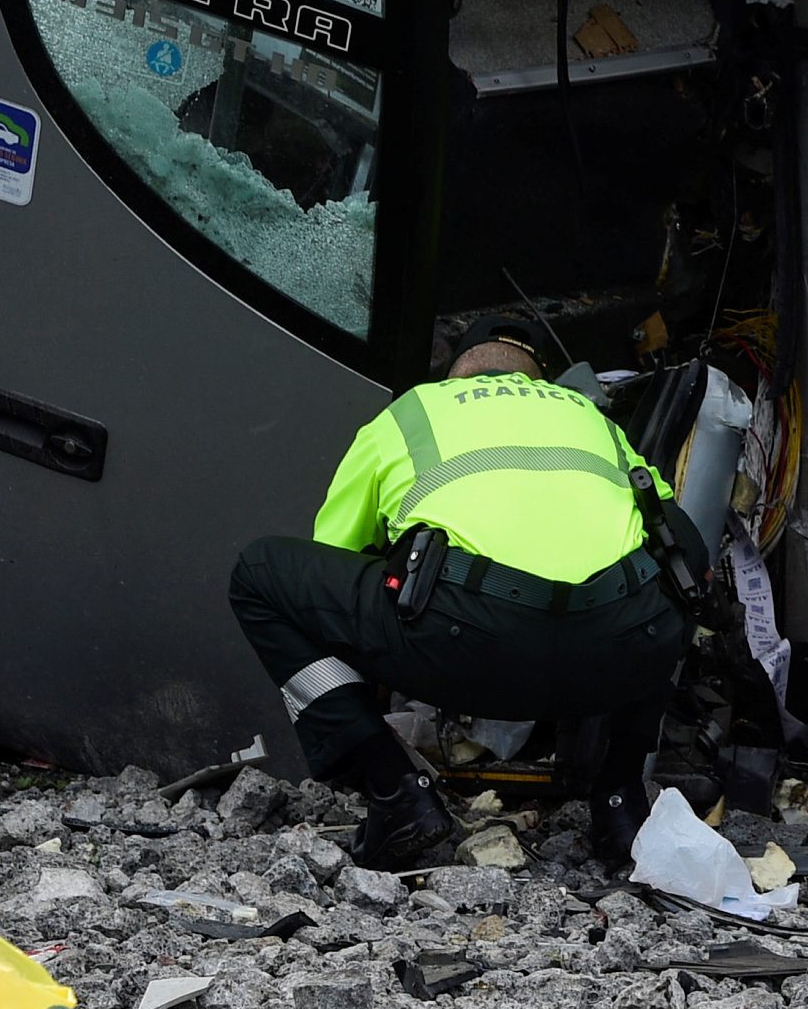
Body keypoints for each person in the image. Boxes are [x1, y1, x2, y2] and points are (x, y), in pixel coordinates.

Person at [229, 311, 699, 867]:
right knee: (673, 578)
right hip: (616, 658)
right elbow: (677, 540)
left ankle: (395, 790)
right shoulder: (595, 421)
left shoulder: (414, 412)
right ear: (540, 380)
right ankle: (620, 801)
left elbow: (336, 556)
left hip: (459, 650)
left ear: (456, 372)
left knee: (260, 575)